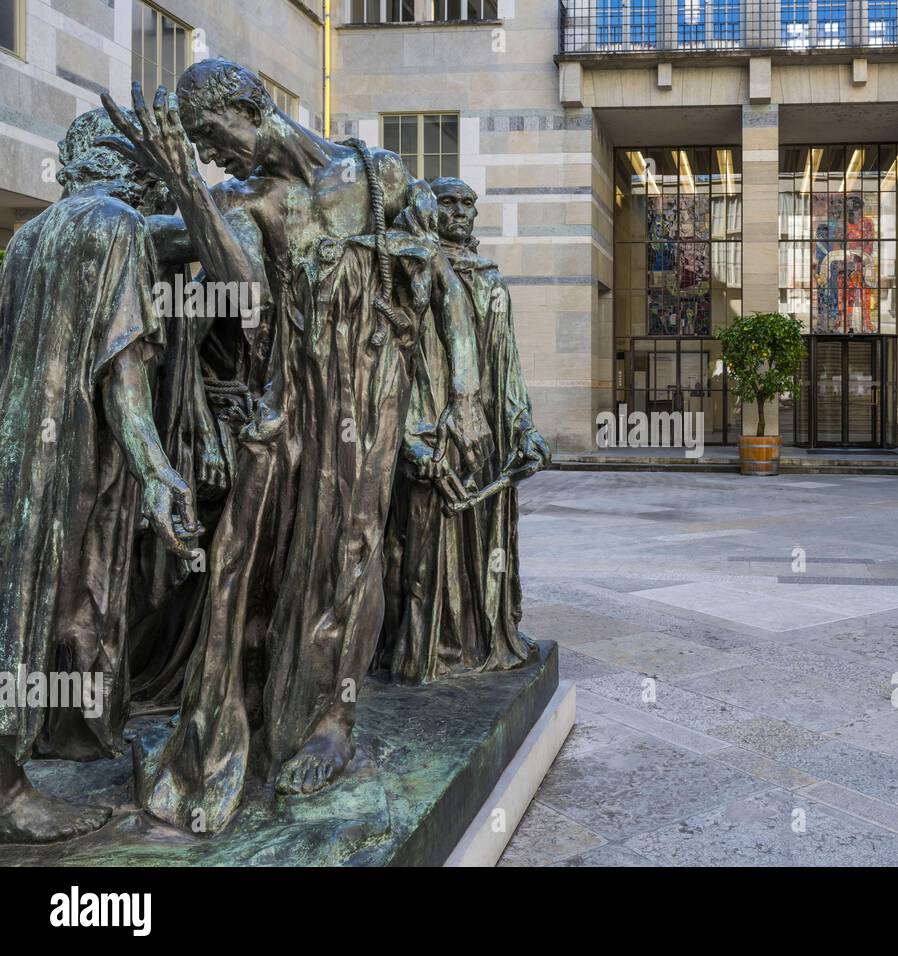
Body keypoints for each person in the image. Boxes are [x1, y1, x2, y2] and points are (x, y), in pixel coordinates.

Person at [101, 60, 491, 833]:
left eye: (214, 141)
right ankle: (234, 711)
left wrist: (468, 398)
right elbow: (242, 293)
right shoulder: (242, 201)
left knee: (347, 547)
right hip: (286, 400)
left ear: (249, 108)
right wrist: (186, 189)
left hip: (368, 396)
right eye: (203, 153)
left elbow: (441, 284)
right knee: (245, 553)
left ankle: (331, 722)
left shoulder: (374, 174)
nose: (215, 159)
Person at [0, 109, 201, 843]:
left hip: (16, 445)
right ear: (133, 174)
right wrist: (156, 470)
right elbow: (122, 373)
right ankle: (10, 794)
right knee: (46, 603)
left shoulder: (28, 234)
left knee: (20, 602)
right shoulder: (118, 224)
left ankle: (36, 756)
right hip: (67, 453)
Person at [382, 178, 550, 683]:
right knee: (422, 551)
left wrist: (524, 428)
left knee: (485, 547)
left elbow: (507, 364)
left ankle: (485, 638)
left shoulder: (491, 279)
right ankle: (425, 652)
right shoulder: (409, 271)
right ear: (430, 209)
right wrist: (409, 431)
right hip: (430, 428)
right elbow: (391, 360)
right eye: (448, 202)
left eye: (467, 204)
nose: (459, 211)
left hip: (489, 439)